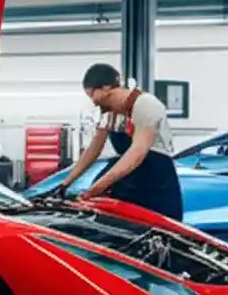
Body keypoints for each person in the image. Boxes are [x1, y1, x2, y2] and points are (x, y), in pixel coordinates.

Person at [52, 63, 183, 220]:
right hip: (129, 178)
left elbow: (137, 152)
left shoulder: (145, 104)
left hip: (154, 181)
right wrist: (65, 183)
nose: (93, 102)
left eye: (92, 95)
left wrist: (95, 189)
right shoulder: (109, 114)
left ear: (106, 88)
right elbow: (93, 149)